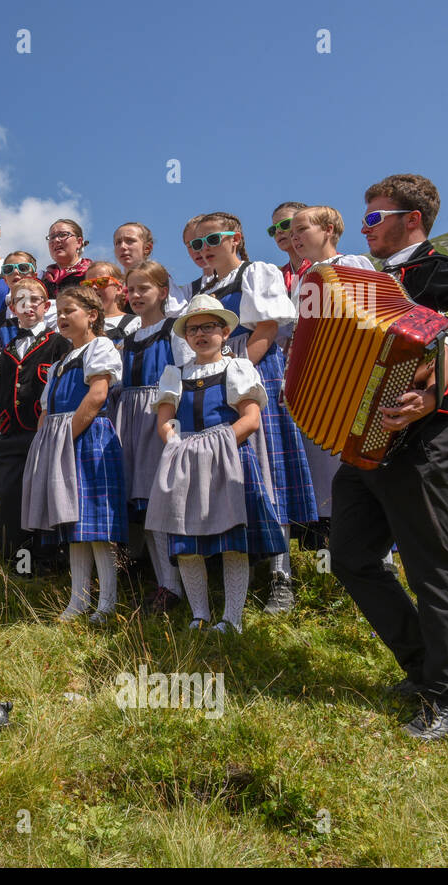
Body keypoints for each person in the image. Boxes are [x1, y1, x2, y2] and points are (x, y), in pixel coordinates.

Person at [331, 173, 448, 740]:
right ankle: (422, 669)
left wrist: (427, 397)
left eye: (373, 216)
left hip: (418, 436)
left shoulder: (439, 272)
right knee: (350, 557)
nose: (365, 226)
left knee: (428, 563)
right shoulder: (365, 281)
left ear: (409, 219)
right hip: (363, 440)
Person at [196, 210, 315, 613]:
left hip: (254, 375)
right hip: (217, 383)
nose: (205, 249)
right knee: (237, 475)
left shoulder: (256, 272)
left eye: (212, 239)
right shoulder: (206, 287)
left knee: (268, 473)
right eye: (197, 244)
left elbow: (265, 330)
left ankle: (282, 576)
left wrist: (234, 372)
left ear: (236, 237)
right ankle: (242, 575)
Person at [147, 295, 285, 634]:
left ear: (224, 331)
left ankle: (232, 620)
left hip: (229, 458)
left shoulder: (237, 368)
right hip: (186, 461)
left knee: (231, 539)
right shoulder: (174, 374)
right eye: (193, 329)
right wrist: (179, 445)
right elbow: (165, 422)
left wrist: (215, 445)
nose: (200, 334)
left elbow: (251, 419)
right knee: (187, 540)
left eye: (208, 327)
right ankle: (199, 615)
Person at [22, 287, 126, 622]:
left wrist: (66, 437)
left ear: (92, 315)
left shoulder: (101, 347)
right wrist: (45, 444)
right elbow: (45, 408)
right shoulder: (60, 363)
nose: (62, 317)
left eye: (70, 311)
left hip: (87, 437)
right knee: (75, 524)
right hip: (59, 439)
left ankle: (107, 603)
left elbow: (96, 396)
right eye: (60, 312)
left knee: (97, 522)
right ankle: (77, 601)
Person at [286, 204, 377, 547]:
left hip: (351, 377)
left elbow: (370, 318)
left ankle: (374, 553)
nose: (294, 238)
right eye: (291, 232)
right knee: (323, 470)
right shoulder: (303, 280)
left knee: (351, 463)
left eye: (302, 229)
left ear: (328, 229)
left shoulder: (353, 264)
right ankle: (331, 558)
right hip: (317, 382)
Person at [116, 261, 193, 612]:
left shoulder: (173, 331)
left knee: (164, 500)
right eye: (130, 290)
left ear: (163, 291)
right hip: (131, 420)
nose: (135, 296)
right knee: (143, 502)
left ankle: (179, 583)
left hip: (161, 415)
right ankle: (165, 582)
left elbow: (186, 373)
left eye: (143, 289)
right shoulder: (128, 339)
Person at [0, 277, 70, 570]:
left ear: (46, 305)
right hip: (12, 435)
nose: (28, 305)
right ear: (12, 307)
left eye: (34, 299)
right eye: (20, 300)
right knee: (12, 499)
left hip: (43, 434)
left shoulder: (59, 343)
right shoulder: (8, 349)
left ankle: (50, 560)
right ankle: (20, 564)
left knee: (44, 496)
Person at [40, 219, 92, 297]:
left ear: (79, 242)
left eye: (63, 235)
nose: (56, 240)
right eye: (52, 237)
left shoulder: (92, 273)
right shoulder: (42, 279)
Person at [81, 261, 129, 343]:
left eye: (102, 281)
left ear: (118, 288)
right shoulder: (80, 325)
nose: (94, 287)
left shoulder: (134, 323)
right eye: (88, 284)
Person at [268, 202, 309, 292]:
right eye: (273, 229)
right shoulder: (277, 276)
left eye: (285, 224)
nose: (278, 231)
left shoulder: (332, 264)